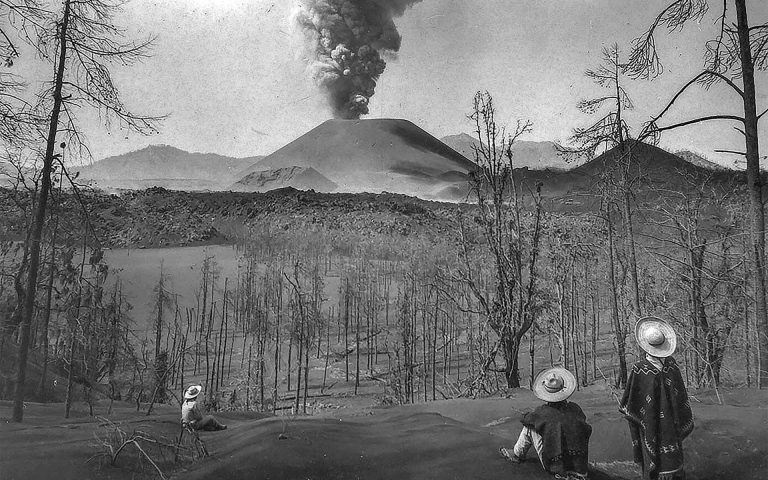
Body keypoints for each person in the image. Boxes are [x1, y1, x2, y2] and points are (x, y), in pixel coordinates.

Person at [620, 317, 694, 480]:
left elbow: (629, 405)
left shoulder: (666, 367)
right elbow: (634, 402)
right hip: (651, 424)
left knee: (666, 463)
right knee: (659, 459)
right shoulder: (642, 370)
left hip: (668, 425)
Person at [500, 367, 592, 480]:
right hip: (581, 469)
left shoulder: (542, 413)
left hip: (556, 468)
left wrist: (529, 416)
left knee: (530, 427)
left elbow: (529, 420)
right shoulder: (576, 409)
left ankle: (517, 454)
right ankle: (573, 464)